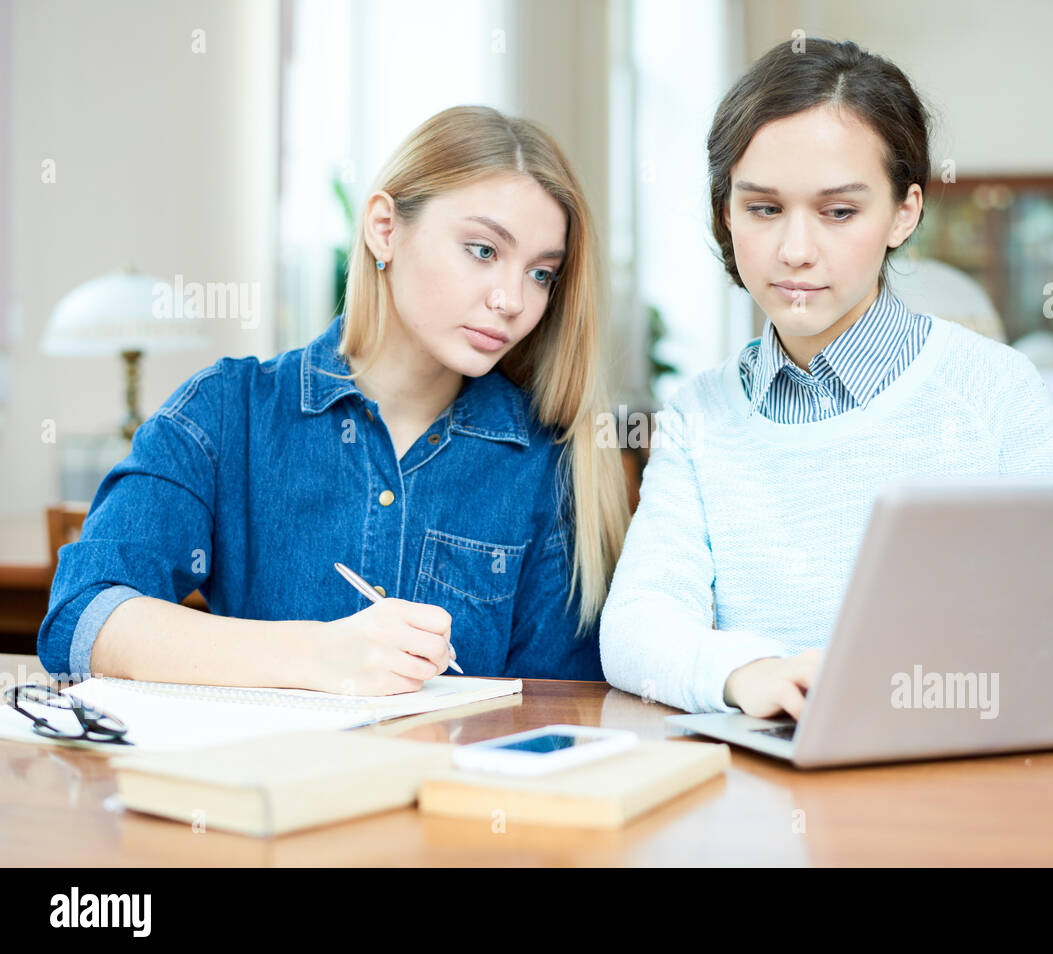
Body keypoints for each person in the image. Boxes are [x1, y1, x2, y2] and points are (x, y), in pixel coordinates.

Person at [39, 106, 629, 695]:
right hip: (264, 783)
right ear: (384, 228)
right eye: (482, 250)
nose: (512, 300)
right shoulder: (227, 413)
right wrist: (317, 655)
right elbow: (81, 618)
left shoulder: (547, 462)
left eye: (541, 274)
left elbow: (557, 713)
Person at [600, 39, 1053, 718]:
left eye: (839, 212)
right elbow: (638, 626)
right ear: (725, 213)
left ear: (904, 213)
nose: (796, 250)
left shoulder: (996, 387)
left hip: (962, 769)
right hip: (765, 779)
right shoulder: (697, 414)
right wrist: (749, 673)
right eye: (764, 209)